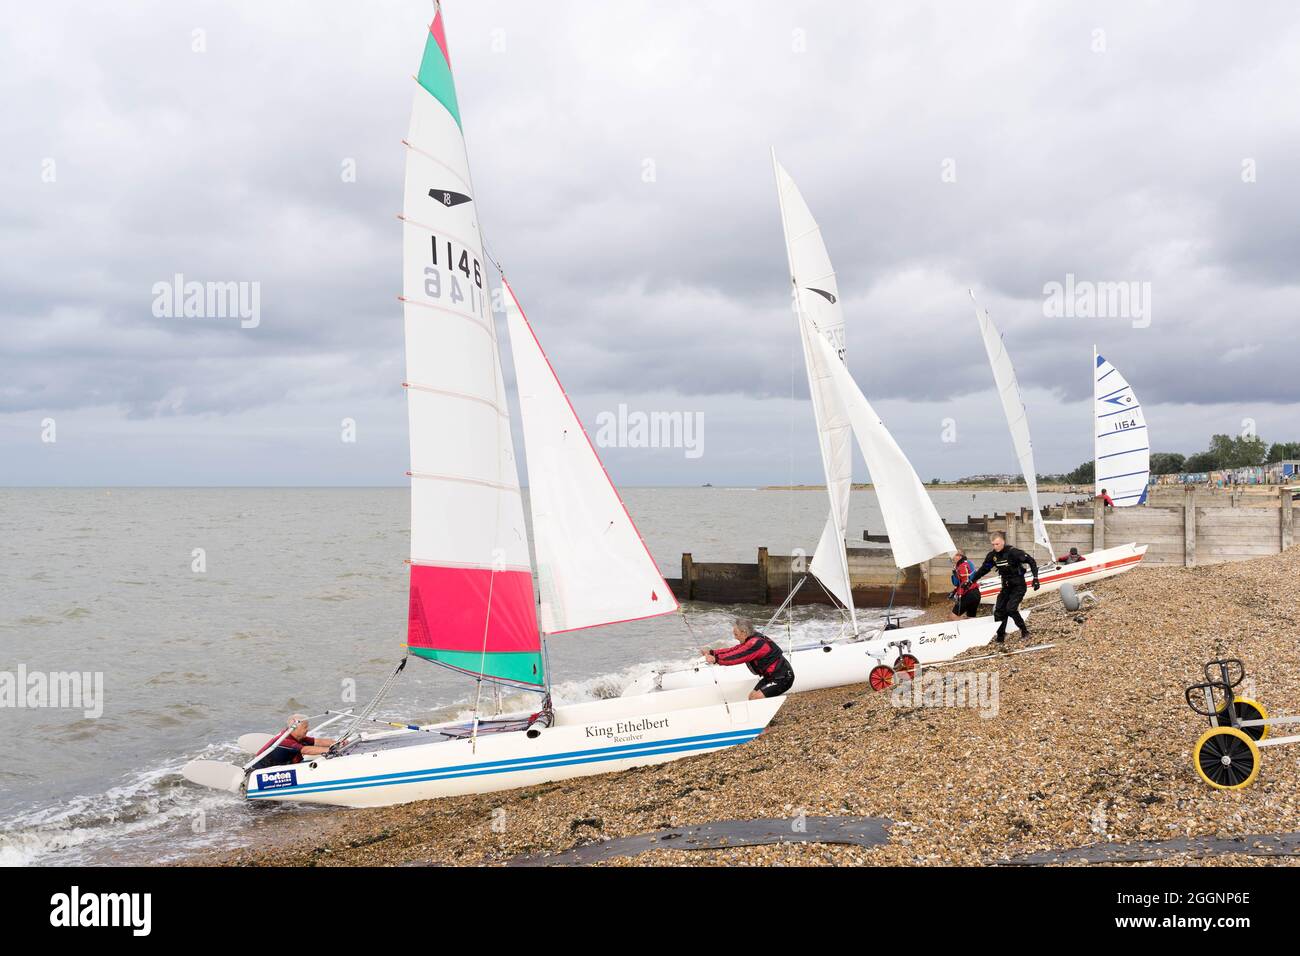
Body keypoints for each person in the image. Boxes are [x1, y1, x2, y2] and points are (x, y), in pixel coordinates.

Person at [967, 532, 1038, 643]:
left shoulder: (1014, 552)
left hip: (1018, 586)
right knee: (999, 611)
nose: (995, 547)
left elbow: (1031, 561)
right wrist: (971, 580)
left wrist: (1035, 578)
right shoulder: (992, 556)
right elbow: (984, 569)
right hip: (1006, 587)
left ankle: (1025, 631)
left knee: (1011, 609)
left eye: (997, 544)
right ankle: (1000, 636)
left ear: (1003, 542)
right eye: (993, 544)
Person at [702, 617, 795, 700]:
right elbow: (735, 650)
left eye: (736, 634)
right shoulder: (750, 639)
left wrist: (716, 659)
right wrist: (712, 652)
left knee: (756, 697)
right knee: (752, 696)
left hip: (783, 677)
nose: (735, 637)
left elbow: (737, 657)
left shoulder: (755, 644)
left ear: (744, 632)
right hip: (770, 677)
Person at [250, 714, 343, 770]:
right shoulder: (284, 740)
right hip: (260, 771)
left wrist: (339, 743)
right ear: (294, 728)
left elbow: (318, 741)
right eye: (305, 727)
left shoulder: (298, 737)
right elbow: (306, 750)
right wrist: (330, 750)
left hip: (281, 767)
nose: (307, 729)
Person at [948, 549, 981, 620]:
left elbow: (956, 583)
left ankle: (962, 629)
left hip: (968, 594)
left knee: (953, 616)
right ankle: (972, 629)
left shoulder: (960, 566)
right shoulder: (969, 563)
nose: (952, 558)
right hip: (976, 593)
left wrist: (954, 571)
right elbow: (973, 577)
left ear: (960, 556)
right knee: (971, 617)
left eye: (954, 555)